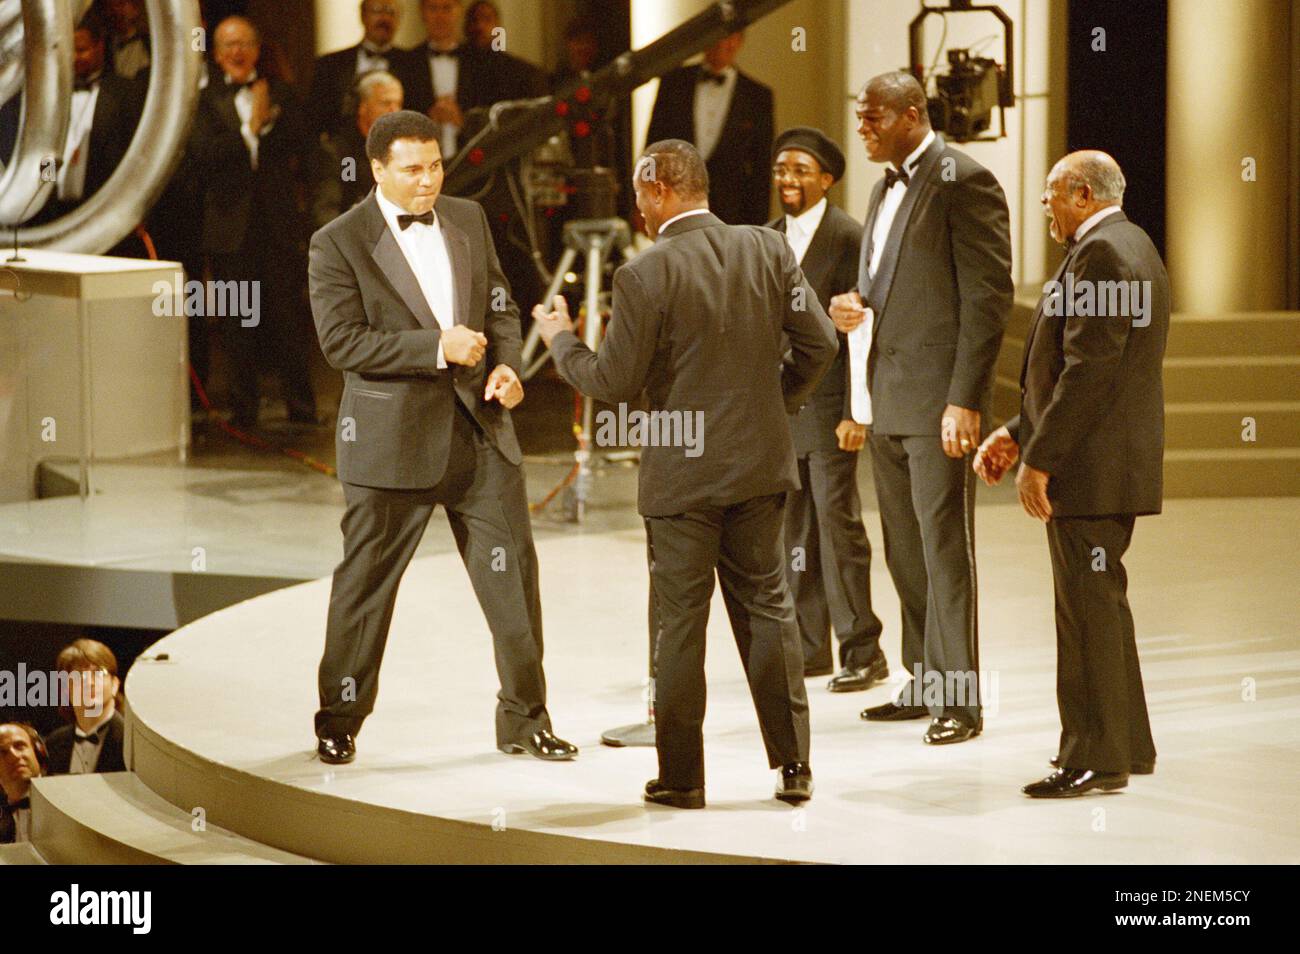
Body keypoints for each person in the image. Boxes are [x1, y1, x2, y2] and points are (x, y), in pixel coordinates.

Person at [534, 139, 837, 808]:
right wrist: (774, 403)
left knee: (679, 625)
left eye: (640, 194)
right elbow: (822, 341)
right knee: (769, 611)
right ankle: (794, 768)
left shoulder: (645, 275)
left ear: (658, 190)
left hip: (684, 480)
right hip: (760, 465)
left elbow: (610, 382)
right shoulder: (768, 249)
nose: (636, 208)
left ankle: (683, 779)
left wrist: (561, 338)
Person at [308, 110, 576, 766]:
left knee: (512, 579)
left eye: (434, 166)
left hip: (481, 434)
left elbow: (500, 304)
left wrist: (508, 365)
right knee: (366, 586)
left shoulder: (469, 218)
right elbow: (341, 341)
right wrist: (437, 346)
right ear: (376, 170)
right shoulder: (337, 241)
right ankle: (338, 719)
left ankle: (525, 718)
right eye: (411, 170)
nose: (427, 180)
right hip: (391, 444)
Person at [974, 151, 1167, 798]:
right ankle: (1128, 744)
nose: (1046, 209)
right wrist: (1017, 431)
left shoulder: (1104, 254)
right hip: (1105, 462)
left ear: (1082, 194)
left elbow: (1090, 371)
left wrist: (1041, 460)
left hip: (1089, 470)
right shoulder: (1130, 243)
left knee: (1085, 614)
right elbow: (1078, 370)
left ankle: (1093, 758)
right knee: (1101, 606)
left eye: (1052, 196)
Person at [829, 71, 1011, 744]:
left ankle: (961, 700)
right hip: (887, 397)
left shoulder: (964, 180)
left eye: (873, 114)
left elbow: (987, 298)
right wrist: (852, 303)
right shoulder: (881, 187)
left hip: (939, 403)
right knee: (905, 551)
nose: (863, 126)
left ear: (911, 114)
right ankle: (924, 682)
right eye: (860, 114)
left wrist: (966, 399)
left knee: (944, 551)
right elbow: (892, 286)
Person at [767, 127, 887, 691]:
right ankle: (810, 646)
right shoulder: (765, 238)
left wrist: (856, 410)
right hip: (781, 412)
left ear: (826, 178)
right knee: (793, 532)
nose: (787, 179)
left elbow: (863, 332)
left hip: (832, 406)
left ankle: (863, 648)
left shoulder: (849, 238)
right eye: (781, 169)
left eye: (799, 170)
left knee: (840, 529)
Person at [190, 16, 317, 429]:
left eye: (245, 43)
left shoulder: (281, 93)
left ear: (258, 50)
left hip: (277, 226)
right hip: (230, 229)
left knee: (287, 319)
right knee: (236, 322)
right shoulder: (204, 102)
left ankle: (302, 407)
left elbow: (301, 142)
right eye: (229, 45)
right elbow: (204, 156)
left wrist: (266, 123)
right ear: (216, 53)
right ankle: (245, 410)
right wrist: (251, 127)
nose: (237, 52)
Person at [645, 32, 773, 226]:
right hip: (675, 206)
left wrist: (759, 226)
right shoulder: (674, 83)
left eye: (731, 36)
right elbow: (654, 147)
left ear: (739, 41)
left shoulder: (757, 96)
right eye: (718, 35)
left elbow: (762, 166)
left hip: (733, 214)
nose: (722, 42)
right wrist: (644, 201)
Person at [311, 70, 403, 229]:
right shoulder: (343, 154)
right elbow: (328, 209)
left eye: (398, 104)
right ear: (362, 107)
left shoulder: (403, 151)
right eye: (385, 103)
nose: (394, 111)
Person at [307, 0, 412, 138]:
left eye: (390, 12)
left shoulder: (412, 63)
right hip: (342, 153)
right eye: (376, 10)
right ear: (362, 15)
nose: (384, 18)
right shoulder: (331, 64)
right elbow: (315, 117)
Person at [45, 639, 127, 776]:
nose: (89, 682)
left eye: (97, 673)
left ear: (115, 685)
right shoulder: (54, 743)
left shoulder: (131, 740)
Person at [0, 723, 46, 845]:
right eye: (2, 752)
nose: (14, 756)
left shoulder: (68, 794)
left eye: (19, 746)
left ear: (38, 752)